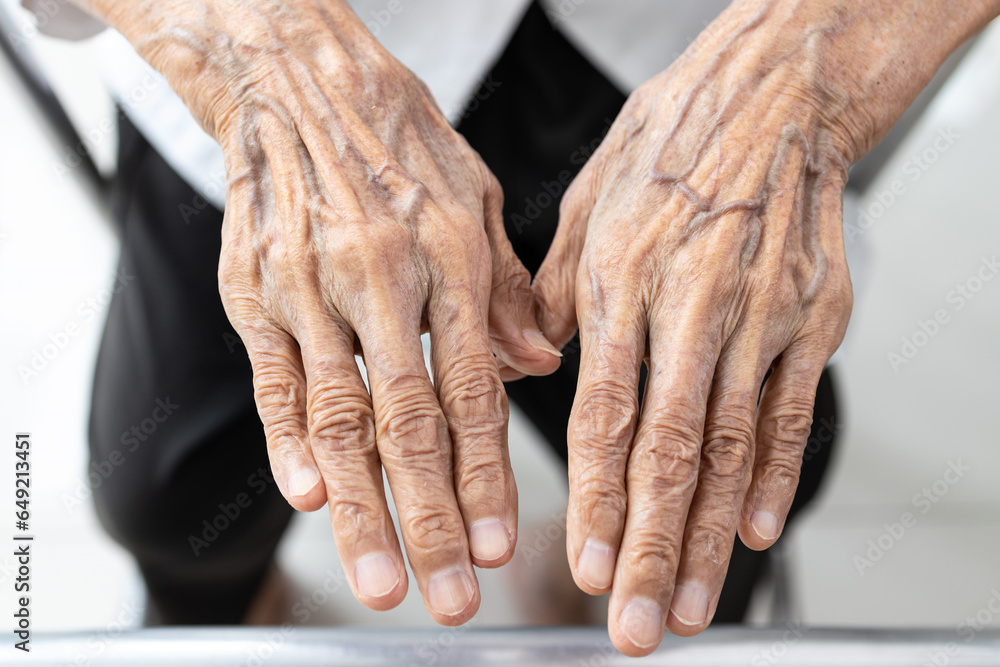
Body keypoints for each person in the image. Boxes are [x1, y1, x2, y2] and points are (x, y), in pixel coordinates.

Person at [24, 0, 999, 657]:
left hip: (701, 38)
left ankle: (609, 610)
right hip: (279, 33)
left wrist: (809, 68)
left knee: (714, 471)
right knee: (168, 492)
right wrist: (266, 58)